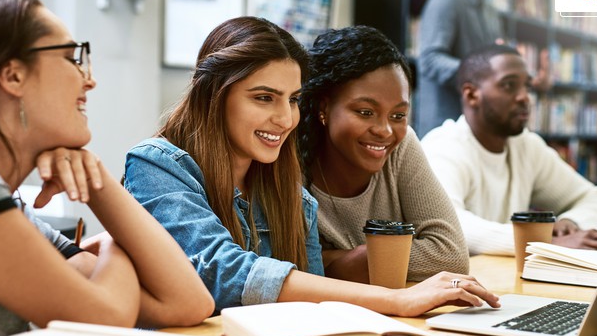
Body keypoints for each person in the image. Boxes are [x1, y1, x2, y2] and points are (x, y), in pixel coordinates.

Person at [124, 16, 500, 317]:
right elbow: (224, 274)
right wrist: (399, 300)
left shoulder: (287, 189)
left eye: (292, 100)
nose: (285, 118)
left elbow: (314, 304)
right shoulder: (156, 166)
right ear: (214, 95)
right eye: (264, 98)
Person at [0, 0, 213, 336]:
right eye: (72, 58)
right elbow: (105, 317)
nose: (89, 80)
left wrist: (97, 181)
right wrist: (116, 242)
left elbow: (188, 302)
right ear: (12, 75)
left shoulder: (13, 212)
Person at [296, 25, 468, 284]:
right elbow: (285, 265)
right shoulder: (290, 157)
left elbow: (451, 256)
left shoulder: (402, 146)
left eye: (398, 115)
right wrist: (383, 257)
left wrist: (337, 260)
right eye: (365, 112)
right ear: (324, 107)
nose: (385, 131)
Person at [421, 44, 597, 256]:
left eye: (527, 87)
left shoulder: (526, 146)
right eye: (509, 86)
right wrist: (544, 243)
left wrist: (570, 222)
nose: (525, 97)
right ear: (471, 95)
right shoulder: (443, 146)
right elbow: (449, 225)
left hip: (503, 278)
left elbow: (596, 198)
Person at [415, 0, 510, 136]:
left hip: (479, 134)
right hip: (445, 138)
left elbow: (495, 67)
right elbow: (430, 61)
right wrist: (482, 73)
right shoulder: (445, 1)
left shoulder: (492, 12)